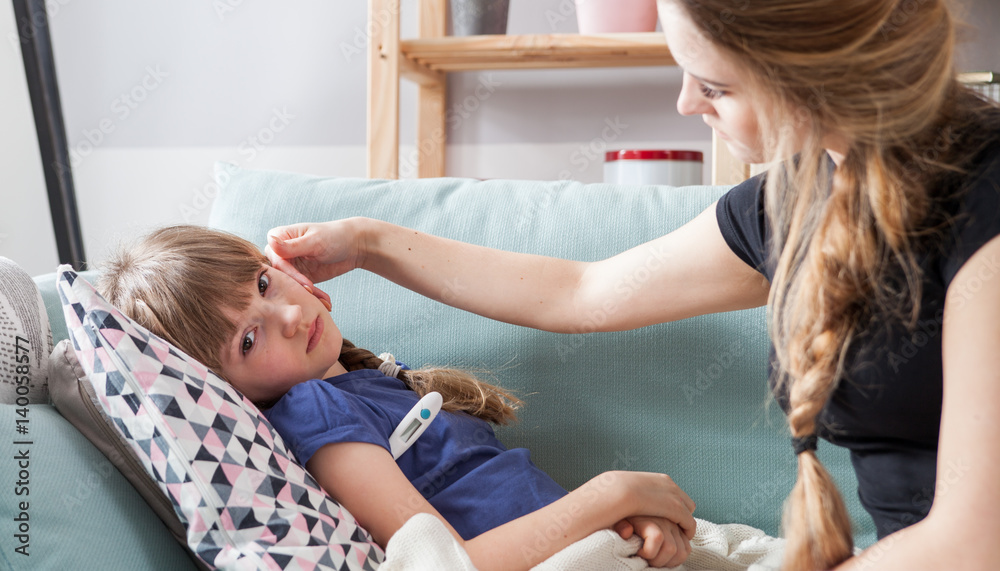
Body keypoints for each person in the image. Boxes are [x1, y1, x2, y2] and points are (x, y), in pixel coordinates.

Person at [262, 1, 1000, 569]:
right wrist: (369, 242)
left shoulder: (983, 200)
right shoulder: (799, 197)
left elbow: (973, 541)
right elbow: (579, 293)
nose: (687, 103)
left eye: (713, 83)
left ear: (813, 72)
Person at [97, 224, 697, 571]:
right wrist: (610, 495)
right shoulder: (317, 412)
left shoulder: (366, 379)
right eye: (248, 339)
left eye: (262, 282)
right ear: (225, 387)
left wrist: (627, 523)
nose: (284, 313)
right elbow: (446, 566)